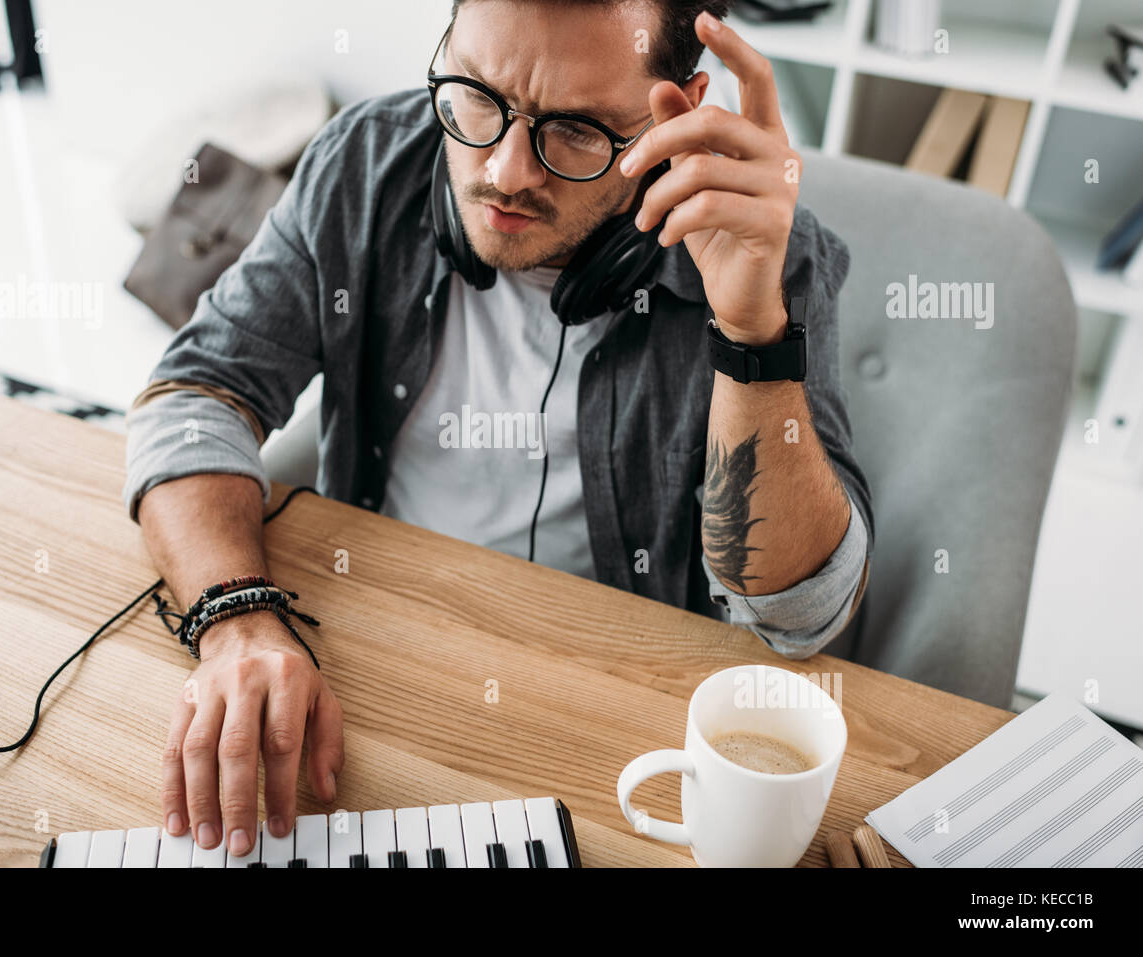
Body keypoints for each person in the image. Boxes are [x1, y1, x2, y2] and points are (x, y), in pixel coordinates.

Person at [122, 0, 873, 859]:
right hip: (357, 668)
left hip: (613, 733)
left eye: (579, 130)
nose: (507, 171)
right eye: (476, 96)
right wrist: (237, 620)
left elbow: (801, 619)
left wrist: (749, 337)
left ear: (682, 108)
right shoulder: (367, 160)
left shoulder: (768, 249)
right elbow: (195, 393)